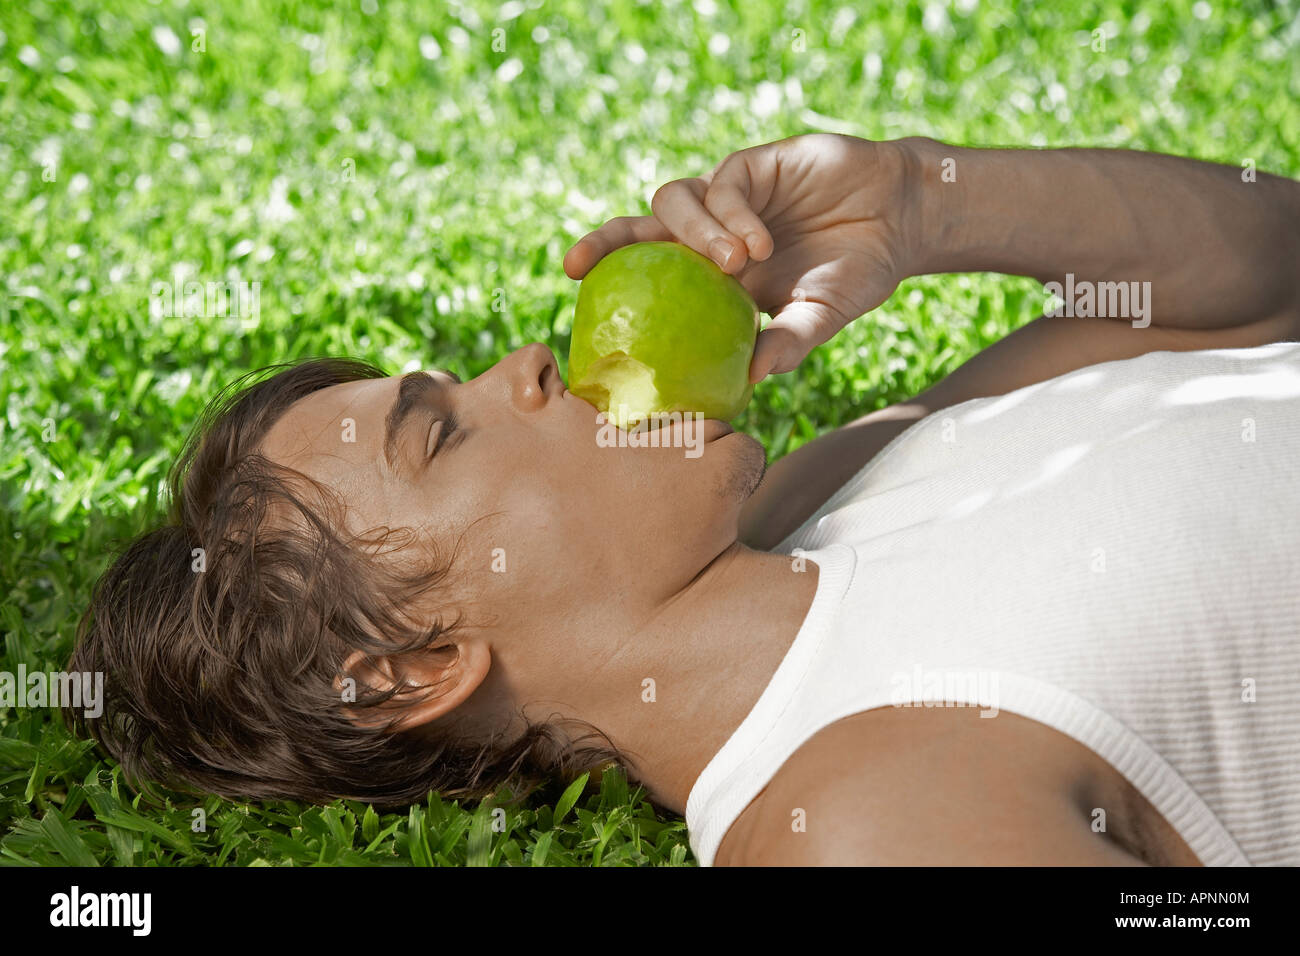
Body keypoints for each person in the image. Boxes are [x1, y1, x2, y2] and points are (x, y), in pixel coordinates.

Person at [67, 133, 1300, 865]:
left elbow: (1261, 284)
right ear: (413, 662)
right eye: (439, 431)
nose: (529, 363)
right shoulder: (865, 818)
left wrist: (920, 202)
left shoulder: (846, 488)